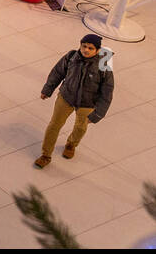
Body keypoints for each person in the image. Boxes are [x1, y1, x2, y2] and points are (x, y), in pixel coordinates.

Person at [34, 34, 113, 169]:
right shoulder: (72, 57)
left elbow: (107, 91)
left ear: (97, 50)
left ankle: (71, 144)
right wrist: (47, 90)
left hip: (87, 103)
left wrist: (98, 114)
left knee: (81, 127)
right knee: (54, 125)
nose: (86, 50)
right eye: (84, 46)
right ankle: (46, 155)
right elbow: (57, 72)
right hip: (66, 97)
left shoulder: (103, 66)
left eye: (90, 48)